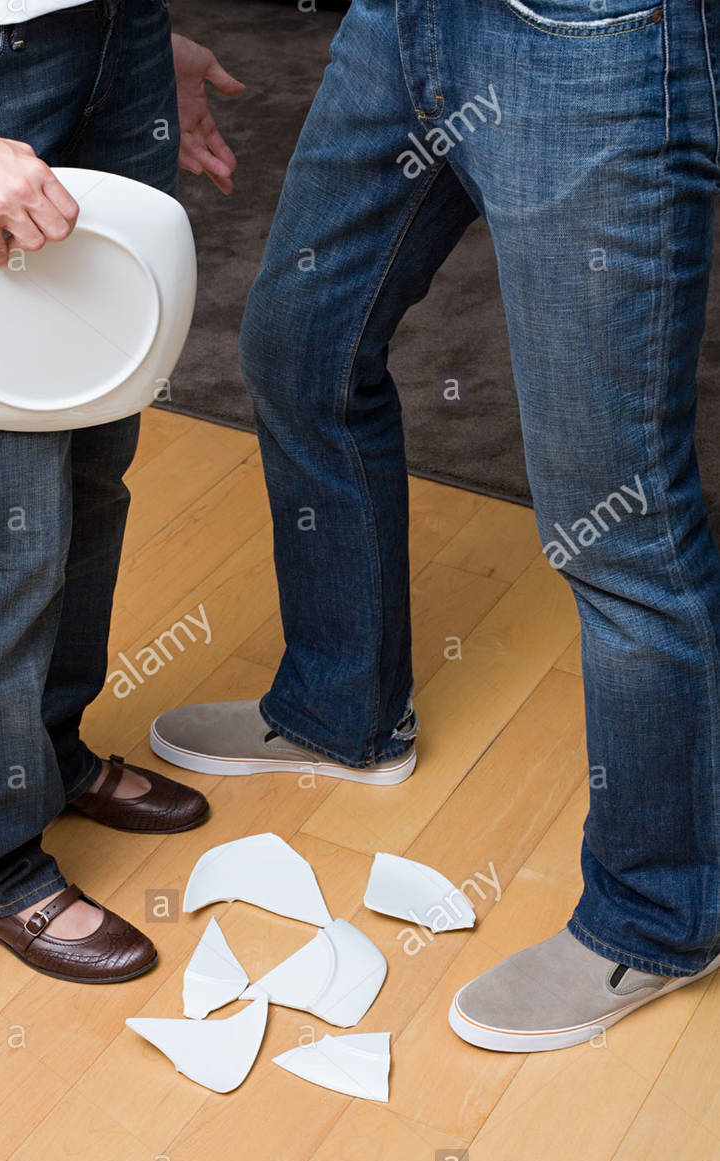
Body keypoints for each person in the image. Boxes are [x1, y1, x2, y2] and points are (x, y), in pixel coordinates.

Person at [151, 0, 720, 1048]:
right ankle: (341, 711)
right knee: (298, 343)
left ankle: (656, 917)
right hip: (406, 21)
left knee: (612, 512)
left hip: (587, 40)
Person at [0, 0, 243, 983]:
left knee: (93, 453)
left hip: (112, 37)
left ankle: (49, 750)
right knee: (2, 502)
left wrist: (132, 44)